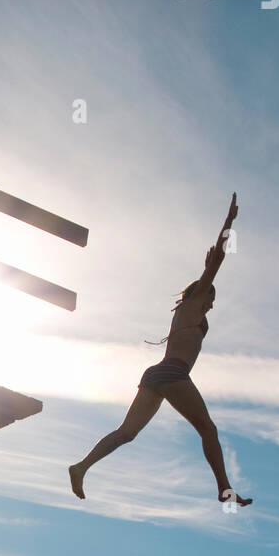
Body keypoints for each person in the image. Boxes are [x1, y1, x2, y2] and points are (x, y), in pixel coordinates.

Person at [68, 193, 252, 507]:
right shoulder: (194, 304)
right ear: (200, 293)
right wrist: (229, 223)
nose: (211, 304)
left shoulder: (189, 313)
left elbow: (213, 266)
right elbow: (218, 259)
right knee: (208, 428)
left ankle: (81, 466)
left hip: (158, 373)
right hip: (173, 372)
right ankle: (224, 488)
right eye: (210, 298)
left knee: (127, 433)